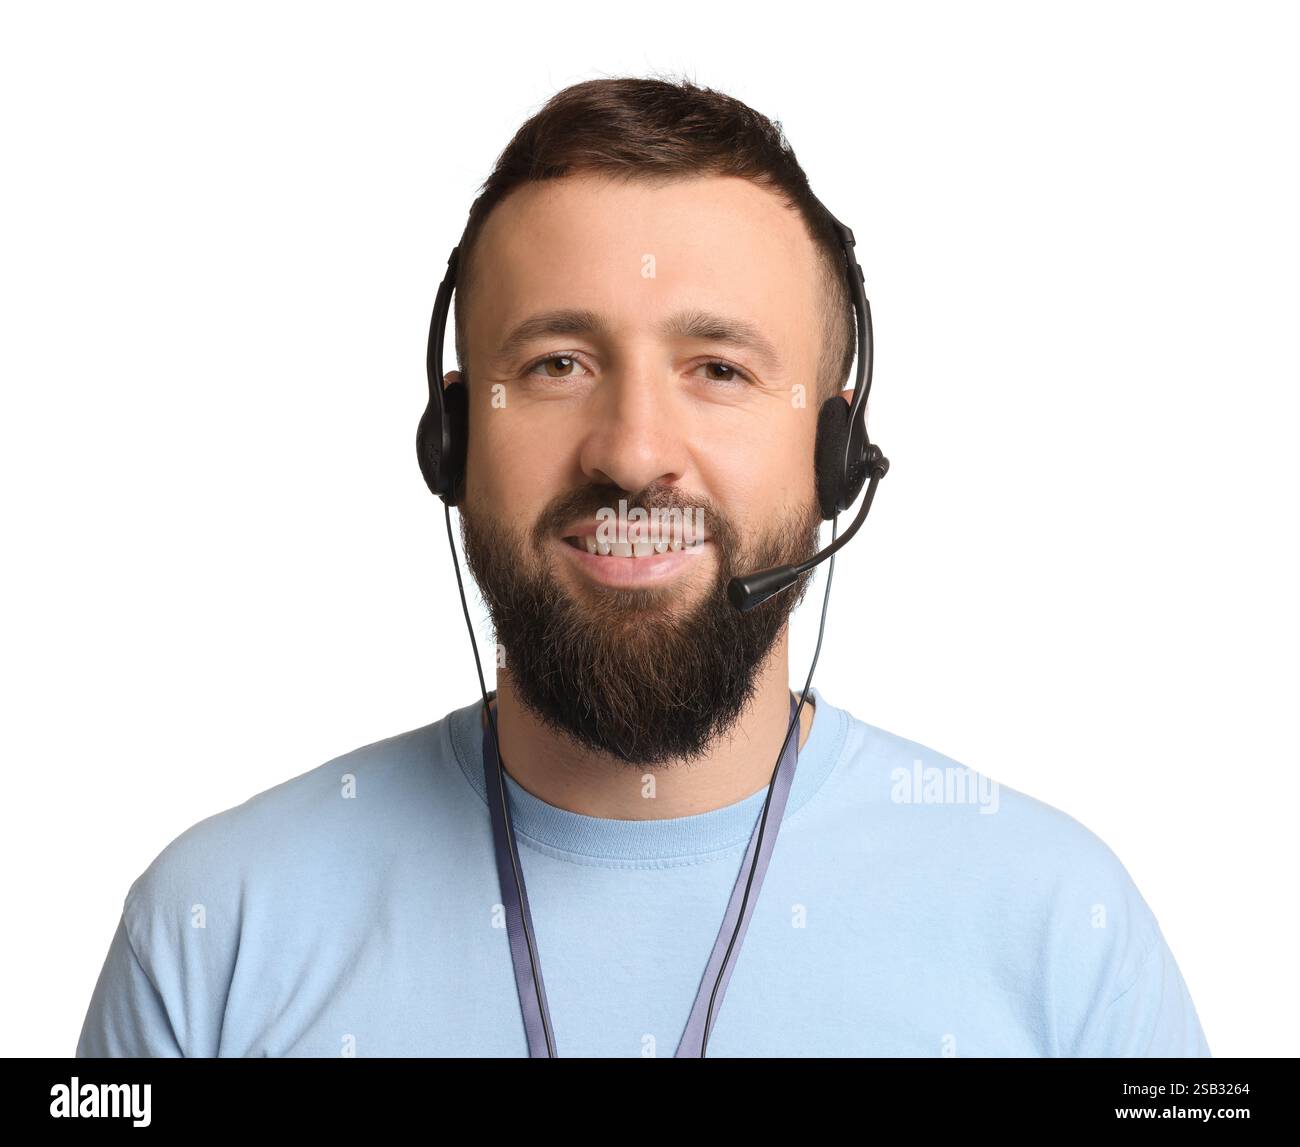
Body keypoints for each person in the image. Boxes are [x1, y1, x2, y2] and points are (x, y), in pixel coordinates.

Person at [76, 75, 1210, 1058]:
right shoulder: (212, 926)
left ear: (835, 452)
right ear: (453, 439)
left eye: (717, 368)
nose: (631, 452)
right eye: (558, 361)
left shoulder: (1067, 928)